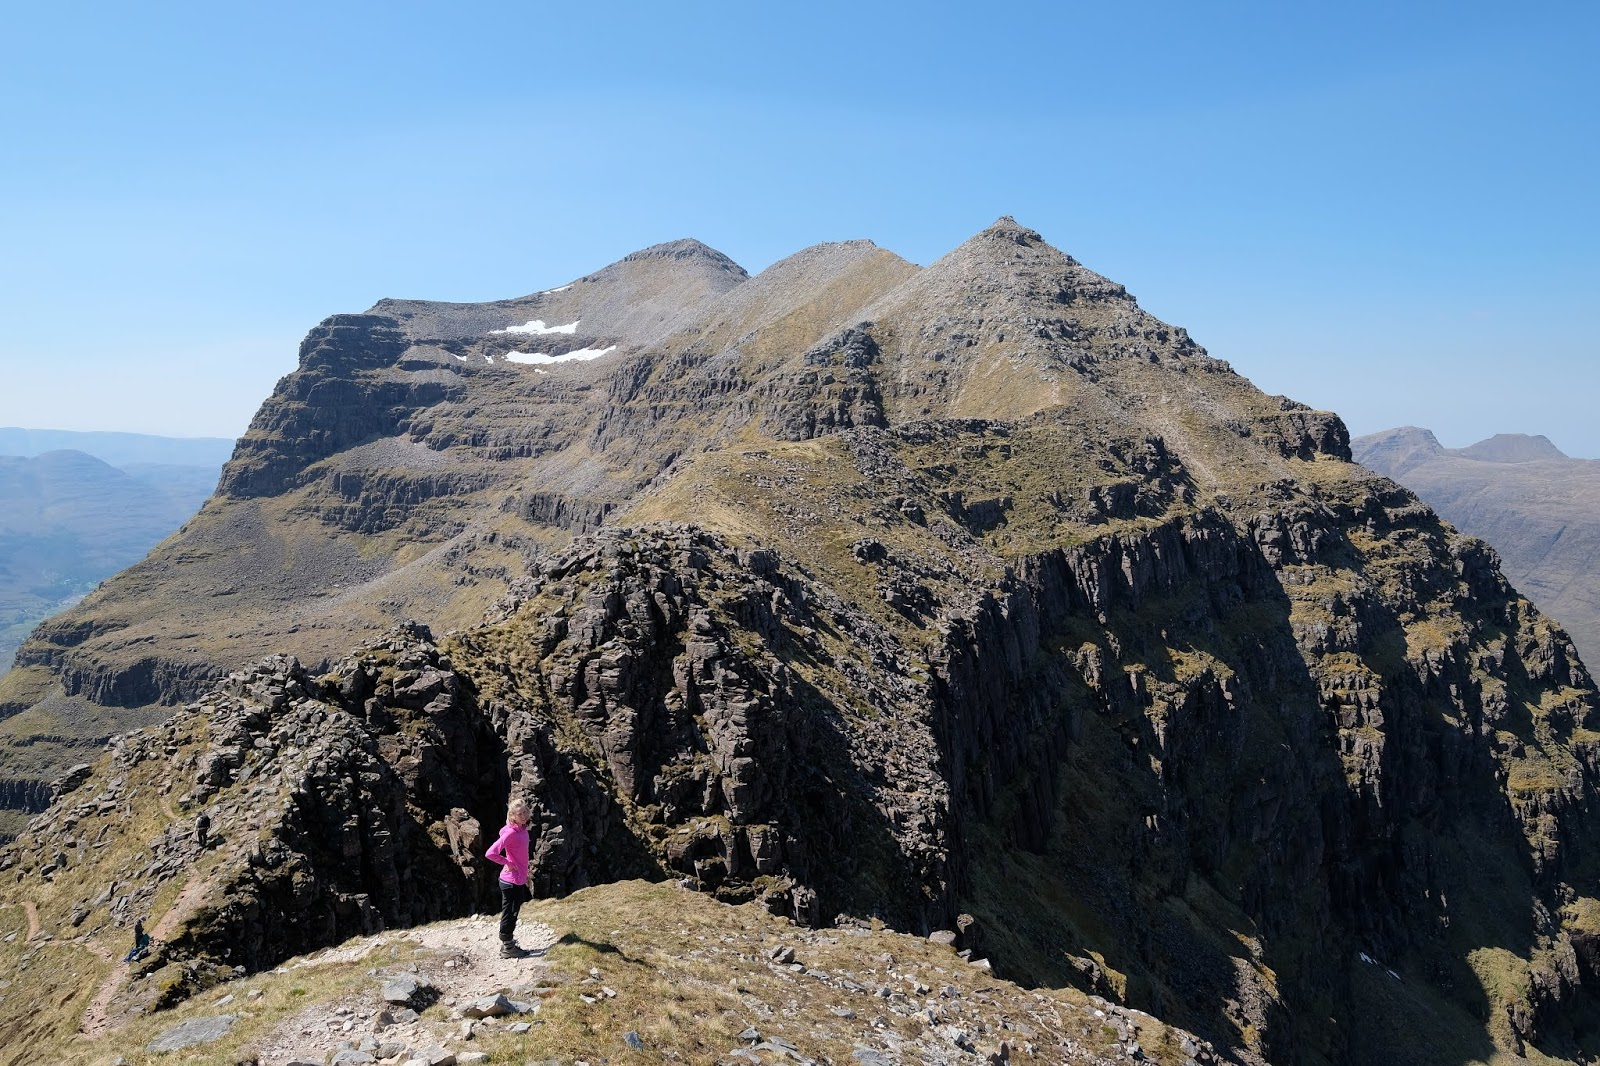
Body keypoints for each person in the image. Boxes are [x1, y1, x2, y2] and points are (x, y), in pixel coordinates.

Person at [485, 798, 532, 958]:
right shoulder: (512, 833)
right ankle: (508, 947)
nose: (523, 815)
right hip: (510, 881)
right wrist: (508, 862)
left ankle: (508, 944)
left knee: (512, 911)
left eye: (525, 812)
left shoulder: (522, 828)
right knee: (510, 913)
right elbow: (490, 853)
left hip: (516, 878)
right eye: (520, 814)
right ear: (513, 816)